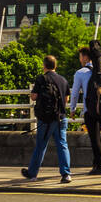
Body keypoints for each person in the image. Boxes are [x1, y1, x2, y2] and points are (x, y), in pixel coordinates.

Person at [69, 43, 101, 175]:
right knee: (97, 136)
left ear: (85, 57)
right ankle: (97, 163)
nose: (80, 60)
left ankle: (99, 166)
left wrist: (72, 109)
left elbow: (74, 93)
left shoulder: (80, 73)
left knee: (94, 137)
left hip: (89, 110)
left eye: (80, 57)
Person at [21, 55, 71, 183]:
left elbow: (33, 96)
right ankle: (66, 174)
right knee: (62, 144)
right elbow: (66, 99)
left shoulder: (41, 79)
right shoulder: (63, 80)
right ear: (56, 66)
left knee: (41, 145)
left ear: (44, 66)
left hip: (45, 119)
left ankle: (32, 173)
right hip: (60, 117)